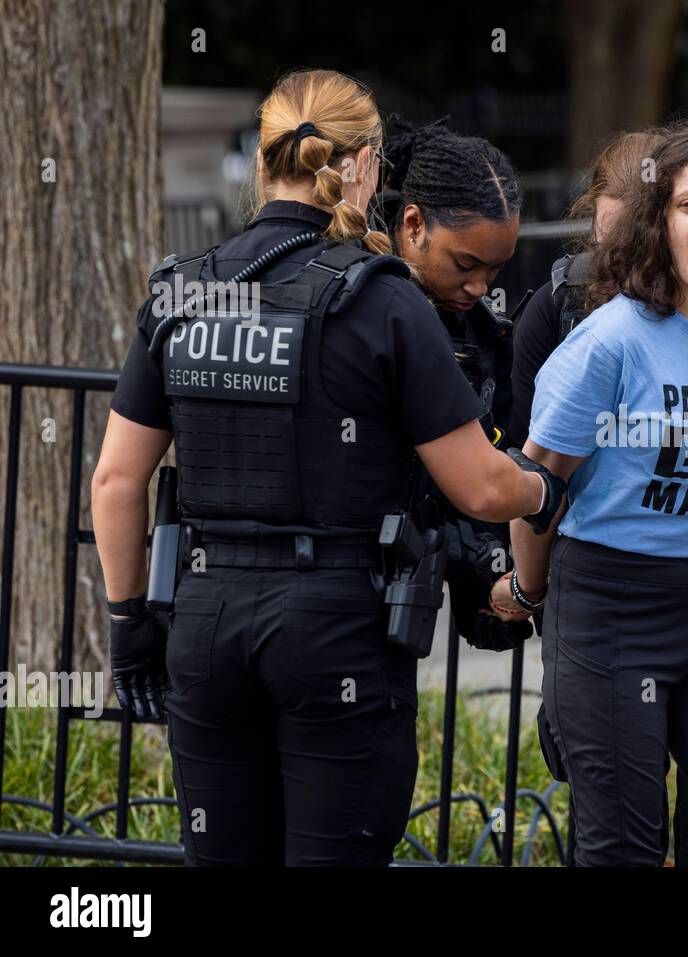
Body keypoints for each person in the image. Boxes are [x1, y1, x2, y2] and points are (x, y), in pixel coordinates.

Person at [91, 69, 564, 866]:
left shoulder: (186, 290)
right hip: (335, 630)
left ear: (266, 155)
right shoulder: (383, 299)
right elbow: (481, 484)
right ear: (366, 166)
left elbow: (115, 480)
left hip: (205, 627)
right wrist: (545, 486)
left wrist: (129, 623)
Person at [493, 120, 688, 866]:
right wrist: (534, 595)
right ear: (659, 225)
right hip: (611, 611)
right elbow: (536, 491)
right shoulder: (609, 343)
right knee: (625, 850)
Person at [374, 117, 532, 654]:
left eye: (496, 269)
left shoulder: (481, 332)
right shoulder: (357, 306)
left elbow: (481, 463)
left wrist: (481, 584)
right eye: (466, 263)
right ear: (412, 224)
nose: (480, 285)